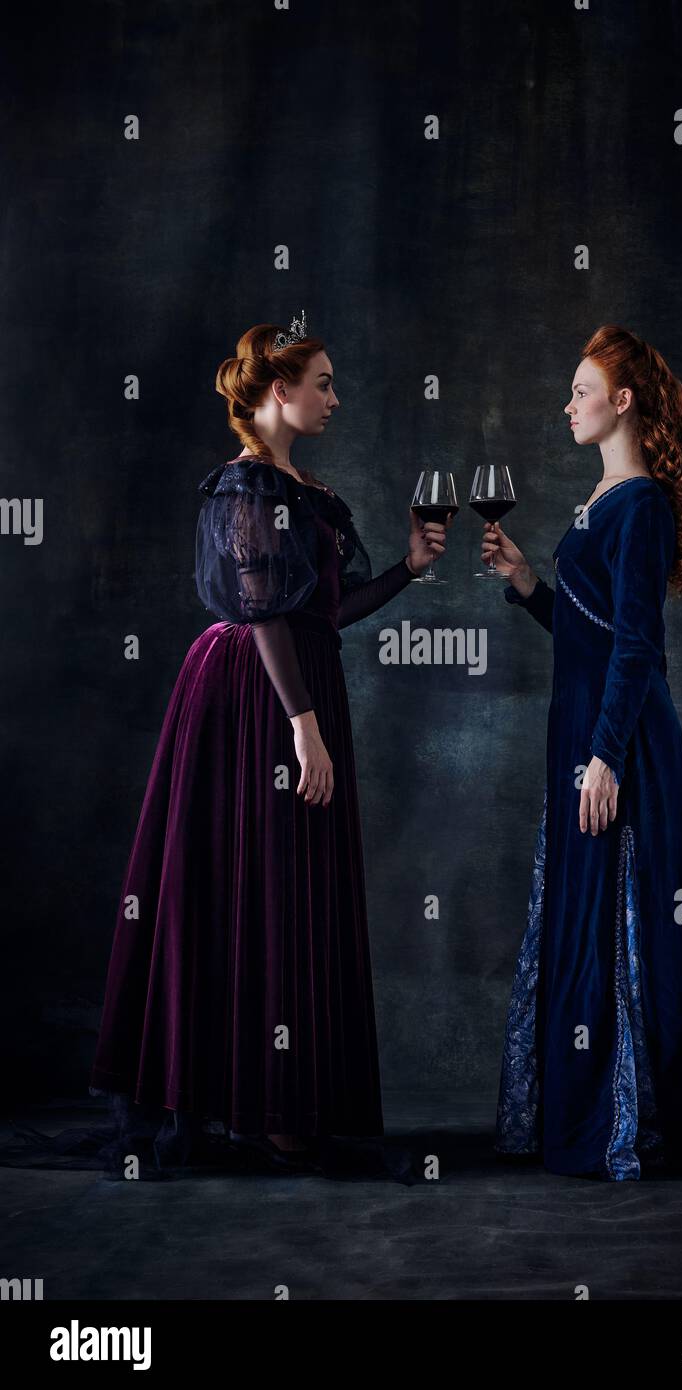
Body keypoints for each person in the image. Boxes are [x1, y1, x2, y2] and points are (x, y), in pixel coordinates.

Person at [86, 315, 448, 1171]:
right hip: (253, 698)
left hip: (293, 689)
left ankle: (284, 1101)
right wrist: (302, 726)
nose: (334, 395)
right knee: (257, 880)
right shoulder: (248, 489)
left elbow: (323, 613)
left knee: (288, 885)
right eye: (321, 381)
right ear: (279, 392)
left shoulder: (304, 493)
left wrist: (406, 570)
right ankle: (261, 1104)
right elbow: (261, 612)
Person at [489, 325, 682, 1180]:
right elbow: (585, 635)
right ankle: (587, 1107)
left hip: (618, 738)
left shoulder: (642, 505)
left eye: (580, 391)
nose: (567, 405)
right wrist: (528, 588)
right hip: (586, 729)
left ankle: (630, 1118)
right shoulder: (599, 502)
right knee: (583, 909)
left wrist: (607, 756)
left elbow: (636, 648)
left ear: (621, 401)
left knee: (622, 910)